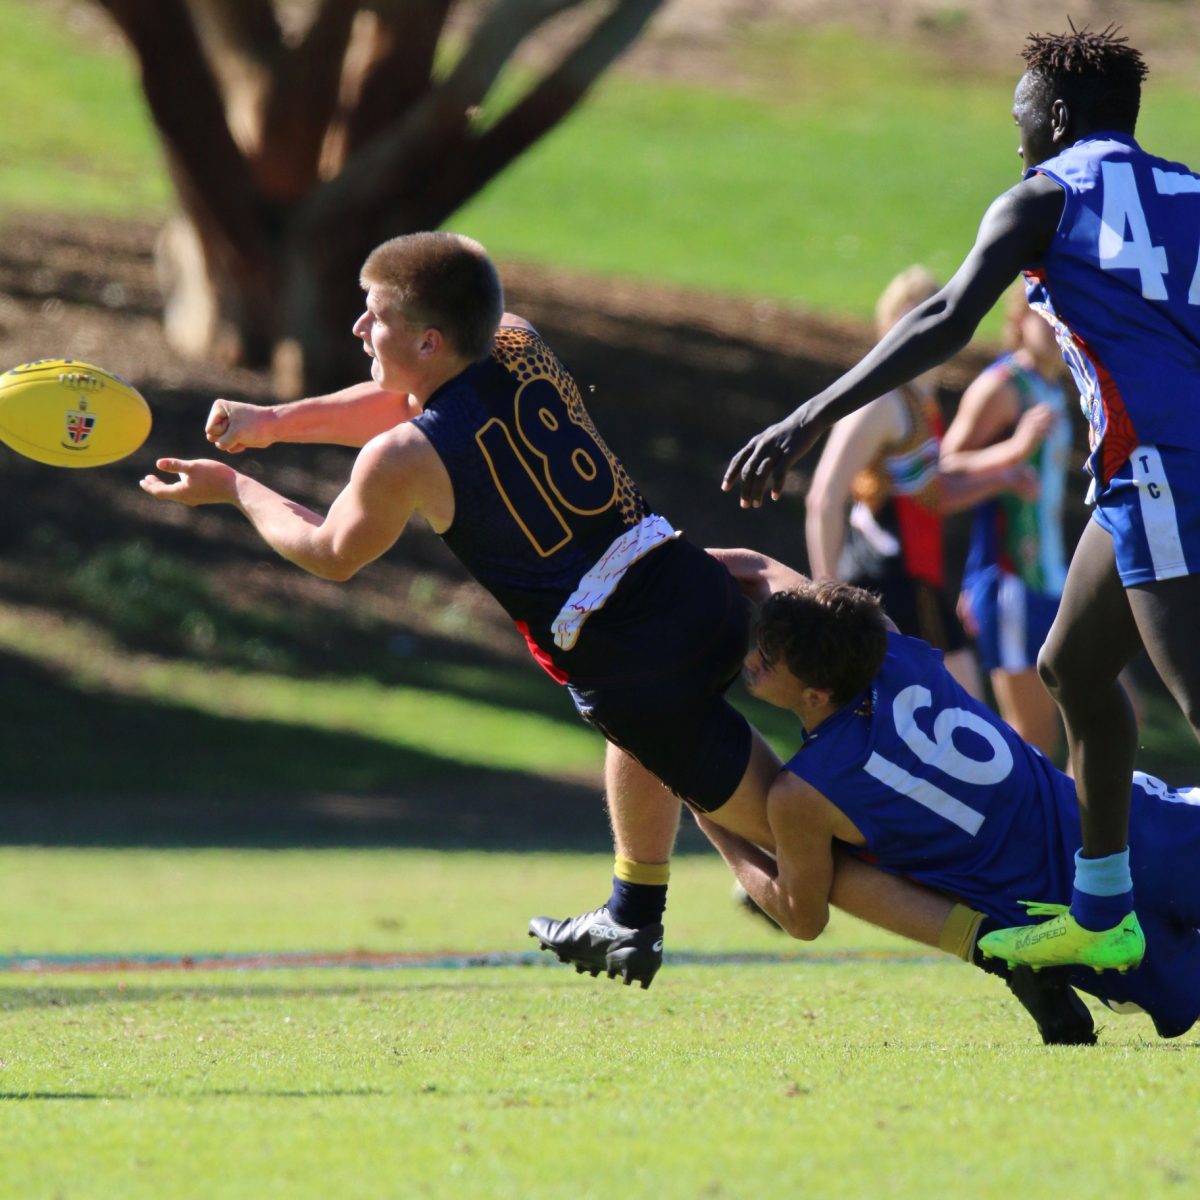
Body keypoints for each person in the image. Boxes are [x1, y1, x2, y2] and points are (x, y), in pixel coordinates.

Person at [139, 230, 962, 992]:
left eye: (376, 315)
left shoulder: (402, 459)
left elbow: (330, 553)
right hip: (688, 587)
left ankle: (987, 939)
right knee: (650, 748)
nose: (357, 327)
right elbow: (397, 399)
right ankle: (632, 916)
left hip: (633, 666)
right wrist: (274, 423)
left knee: (803, 851)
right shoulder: (516, 337)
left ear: (428, 339)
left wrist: (238, 487)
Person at [724, 25, 1200, 973]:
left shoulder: (1044, 197)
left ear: (1056, 117)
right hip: (1138, 480)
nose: (1016, 132)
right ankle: (1104, 914)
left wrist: (811, 413)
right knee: (1070, 668)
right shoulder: (1191, 187)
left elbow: (944, 316)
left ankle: (1107, 909)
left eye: (1022, 112)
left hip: (1162, 470)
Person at [698, 548, 1200, 1041]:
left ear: (816, 696)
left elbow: (801, 917)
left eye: (765, 660)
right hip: (1131, 831)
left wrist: (715, 823)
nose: (749, 659)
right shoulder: (890, 649)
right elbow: (759, 565)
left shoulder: (803, 793)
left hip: (1073, 918)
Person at [805, 266, 1037, 700]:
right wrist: (827, 597)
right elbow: (823, 497)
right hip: (885, 585)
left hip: (919, 587)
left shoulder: (919, 404)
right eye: (906, 324)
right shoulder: (883, 402)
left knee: (957, 721)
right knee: (962, 717)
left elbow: (932, 494)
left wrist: (1001, 476)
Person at [940, 287, 1071, 757]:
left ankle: (1086, 830)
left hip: (1054, 577)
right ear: (1019, 320)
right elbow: (946, 463)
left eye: (1066, 317)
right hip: (1009, 579)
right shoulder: (1002, 386)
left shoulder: (1055, 385)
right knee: (1031, 738)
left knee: (1112, 716)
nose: (1059, 329)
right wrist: (1010, 456)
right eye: (1046, 318)